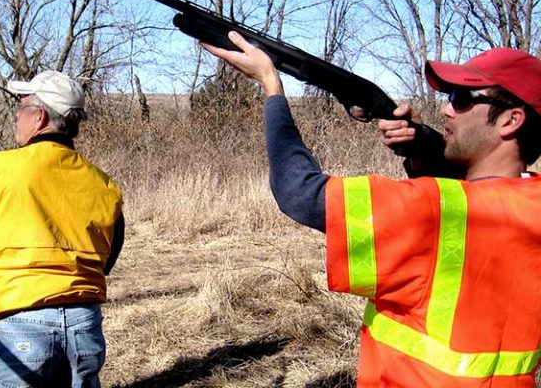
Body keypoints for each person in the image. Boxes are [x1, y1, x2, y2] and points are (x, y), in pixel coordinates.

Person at [202, 32, 541, 386]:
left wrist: (271, 88)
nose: (445, 108)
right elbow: (482, 199)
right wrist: (421, 147)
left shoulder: (434, 210)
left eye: (461, 98)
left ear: (510, 120)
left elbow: (298, 191)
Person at [0, 70, 125, 388]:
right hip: (84, 329)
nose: (16, 115)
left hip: (20, 327)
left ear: (40, 116)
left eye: (21, 106)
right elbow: (107, 258)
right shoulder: (104, 184)